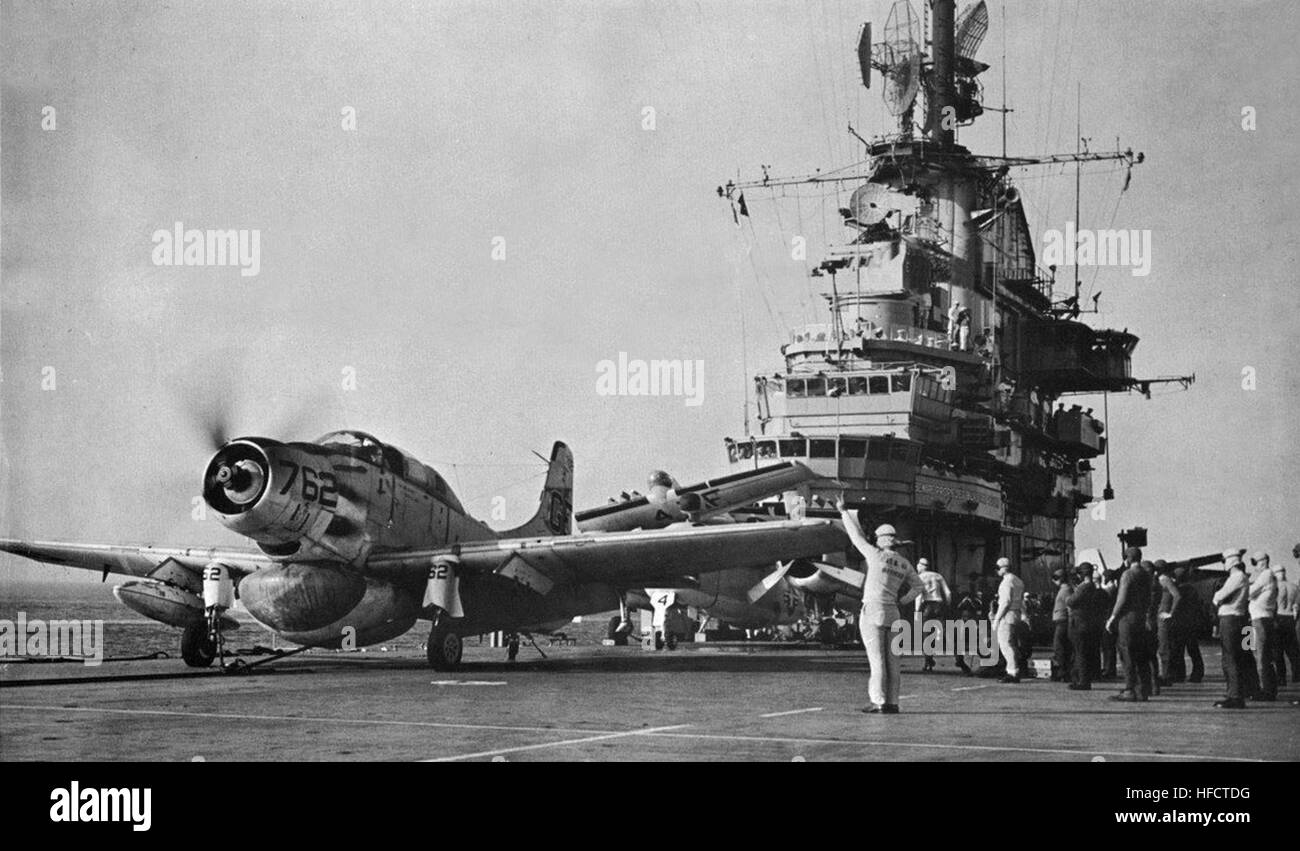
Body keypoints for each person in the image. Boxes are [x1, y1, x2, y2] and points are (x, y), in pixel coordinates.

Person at [837, 496, 921, 714]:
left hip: (873, 610)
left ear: (881, 540)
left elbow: (856, 537)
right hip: (894, 612)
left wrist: (843, 511)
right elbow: (919, 587)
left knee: (877, 662)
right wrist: (903, 600)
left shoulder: (874, 555)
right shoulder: (904, 563)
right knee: (894, 663)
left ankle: (878, 701)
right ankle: (893, 703)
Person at [1105, 549, 1153, 701]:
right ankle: (1142, 690)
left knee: (1127, 654)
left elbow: (1122, 599)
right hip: (1140, 618)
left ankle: (1129, 690)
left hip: (1127, 619)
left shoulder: (1128, 574)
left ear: (1127, 559)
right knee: (1141, 655)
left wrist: (1112, 617)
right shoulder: (1146, 575)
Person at [1211, 550, 1252, 709]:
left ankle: (1234, 695)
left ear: (1230, 561)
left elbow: (1219, 597)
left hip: (1230, 619)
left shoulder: (1236, 577)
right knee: (1242, 656)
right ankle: (1241, 691)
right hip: (1241, 618)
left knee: (1230, 658)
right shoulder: (1242, 577)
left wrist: (1216, 597)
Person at [1066, 562, 1105, 690]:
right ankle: (1083, 678)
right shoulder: (1093, 587)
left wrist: (1070, 596)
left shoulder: (1084, 587)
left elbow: (1071, 601)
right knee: (1085, 651)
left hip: (1079, 622)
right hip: (1088, 622)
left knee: (1080, 652)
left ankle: (1083, 681)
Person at [1247, 552, 1278, 701]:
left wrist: (1251, 589)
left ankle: (1267, 690)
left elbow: (1249, 592)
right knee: (1252, 652)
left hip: (1260, 620)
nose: (1258, 565)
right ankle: (1261, 688)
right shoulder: (1266, 575)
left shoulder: (1266, 574)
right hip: (1253, 620)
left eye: (1258, 562)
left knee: (1261, 656)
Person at [990, 557, 1025, 683]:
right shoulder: (1018, 581)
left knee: (1006, 644)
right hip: (1016, 614)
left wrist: (996, 619)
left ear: (1001, 569)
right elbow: (1020, 601)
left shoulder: (1006, 582)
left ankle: (1012, 672)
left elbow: (1005, 602)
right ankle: (1014, 668)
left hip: (1007, 615)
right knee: (1012, 644)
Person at [914, 557, 951, 673]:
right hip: (939, 604)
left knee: (927, 635)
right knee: (946, 632)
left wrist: (916, 611)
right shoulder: (938, 576)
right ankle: (960, 660)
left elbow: (919, 596)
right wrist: (947, 605)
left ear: (920, 566)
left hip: (927, 606)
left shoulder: (919, 578)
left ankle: (928, 662)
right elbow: (948, 593)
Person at [1170, 565, 1205, 683]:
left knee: (1178, 650)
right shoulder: (1192, 589)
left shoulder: (1179, 589)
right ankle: (1198, 673)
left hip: (1180, 624)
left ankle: (1179, 674)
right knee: (1193, 650)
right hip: (1191, 623)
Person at [1272, 558, 1299, 685]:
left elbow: (1273, 605)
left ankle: (1281, 678)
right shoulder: (1294, 587)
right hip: (1290, 619)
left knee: (1278, 651)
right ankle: (1297, 676)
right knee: (1293, 650)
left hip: (1278, 618)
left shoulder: (1276, 587)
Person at [1154, 560, 1181, 688]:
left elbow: (1177, 596)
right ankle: (1167, 674)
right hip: (1160, 616)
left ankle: (1166, 675)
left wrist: (1170, 613)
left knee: (1164, 647)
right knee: (1164, 646)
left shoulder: (1164, 579)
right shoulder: (1164, 579)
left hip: (1163, 617)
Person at [1050, 569, 1073, 681]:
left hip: (1063, 622)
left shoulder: (1065, 590)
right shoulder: (1064, 589)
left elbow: (1069, 606)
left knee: (1059, 647)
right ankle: (1063, 671)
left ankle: (1063, 671)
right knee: (1061, 647)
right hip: (1062, 620)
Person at [1099, 566, 1120, 679]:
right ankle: (1109, 668)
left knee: (1108, 646)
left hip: (1107, 619)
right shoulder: (1115, 589)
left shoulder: (1109, 590)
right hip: (1112, 619)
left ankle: (1109, 669)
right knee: (1109, 646)